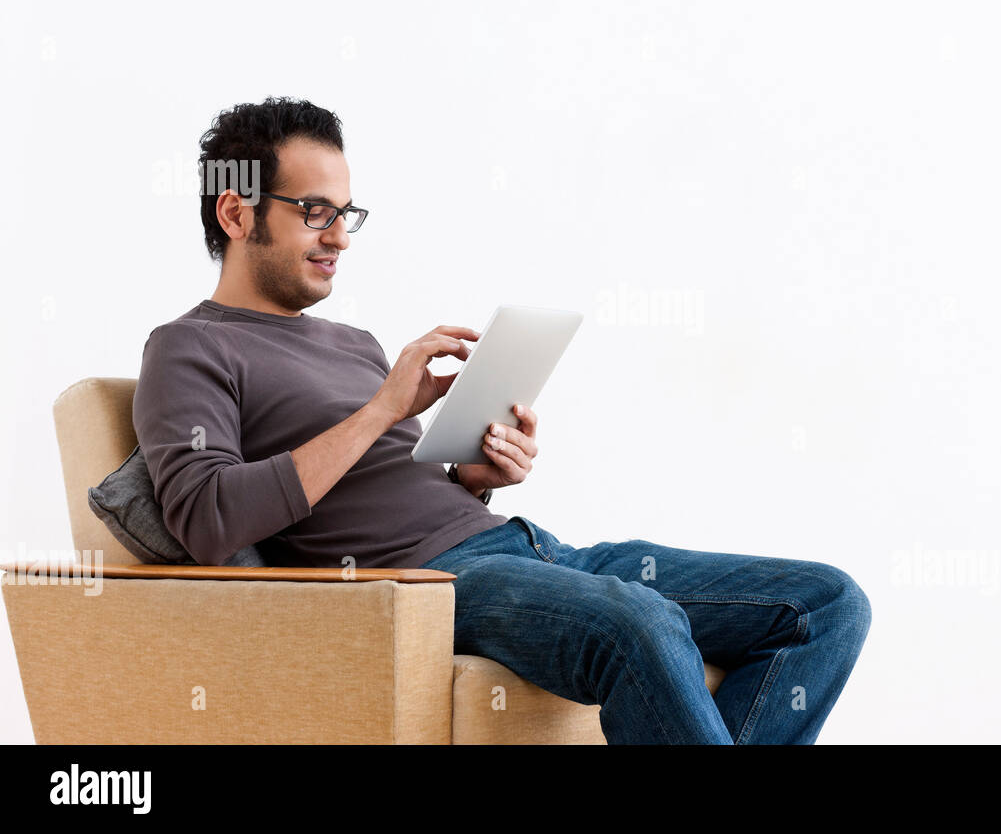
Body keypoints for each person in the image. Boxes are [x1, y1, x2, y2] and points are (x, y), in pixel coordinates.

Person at [134, 96, 871, 744]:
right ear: (237, 211)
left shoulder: (350, 342)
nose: (340, 238)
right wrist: (384, 407)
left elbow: (382, 486)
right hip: (429, 588)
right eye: (315, 212)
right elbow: (206, 517)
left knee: (827, 604)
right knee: (639, 622)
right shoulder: (190, 348)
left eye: (346, 214)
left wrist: (473, 479)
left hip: (529, 549)